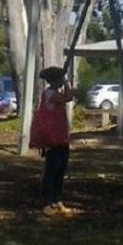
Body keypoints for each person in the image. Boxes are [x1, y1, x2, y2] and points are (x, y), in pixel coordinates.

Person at [32, 66, 74, 214]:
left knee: (60, 169)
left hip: (61, 137)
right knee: (52, 170)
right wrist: (67, 82)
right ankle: (48, 201)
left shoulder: (54, 93)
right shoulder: (50, 94)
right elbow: (69, 97)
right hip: (53, 139)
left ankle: (57, 199)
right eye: (60, 79)